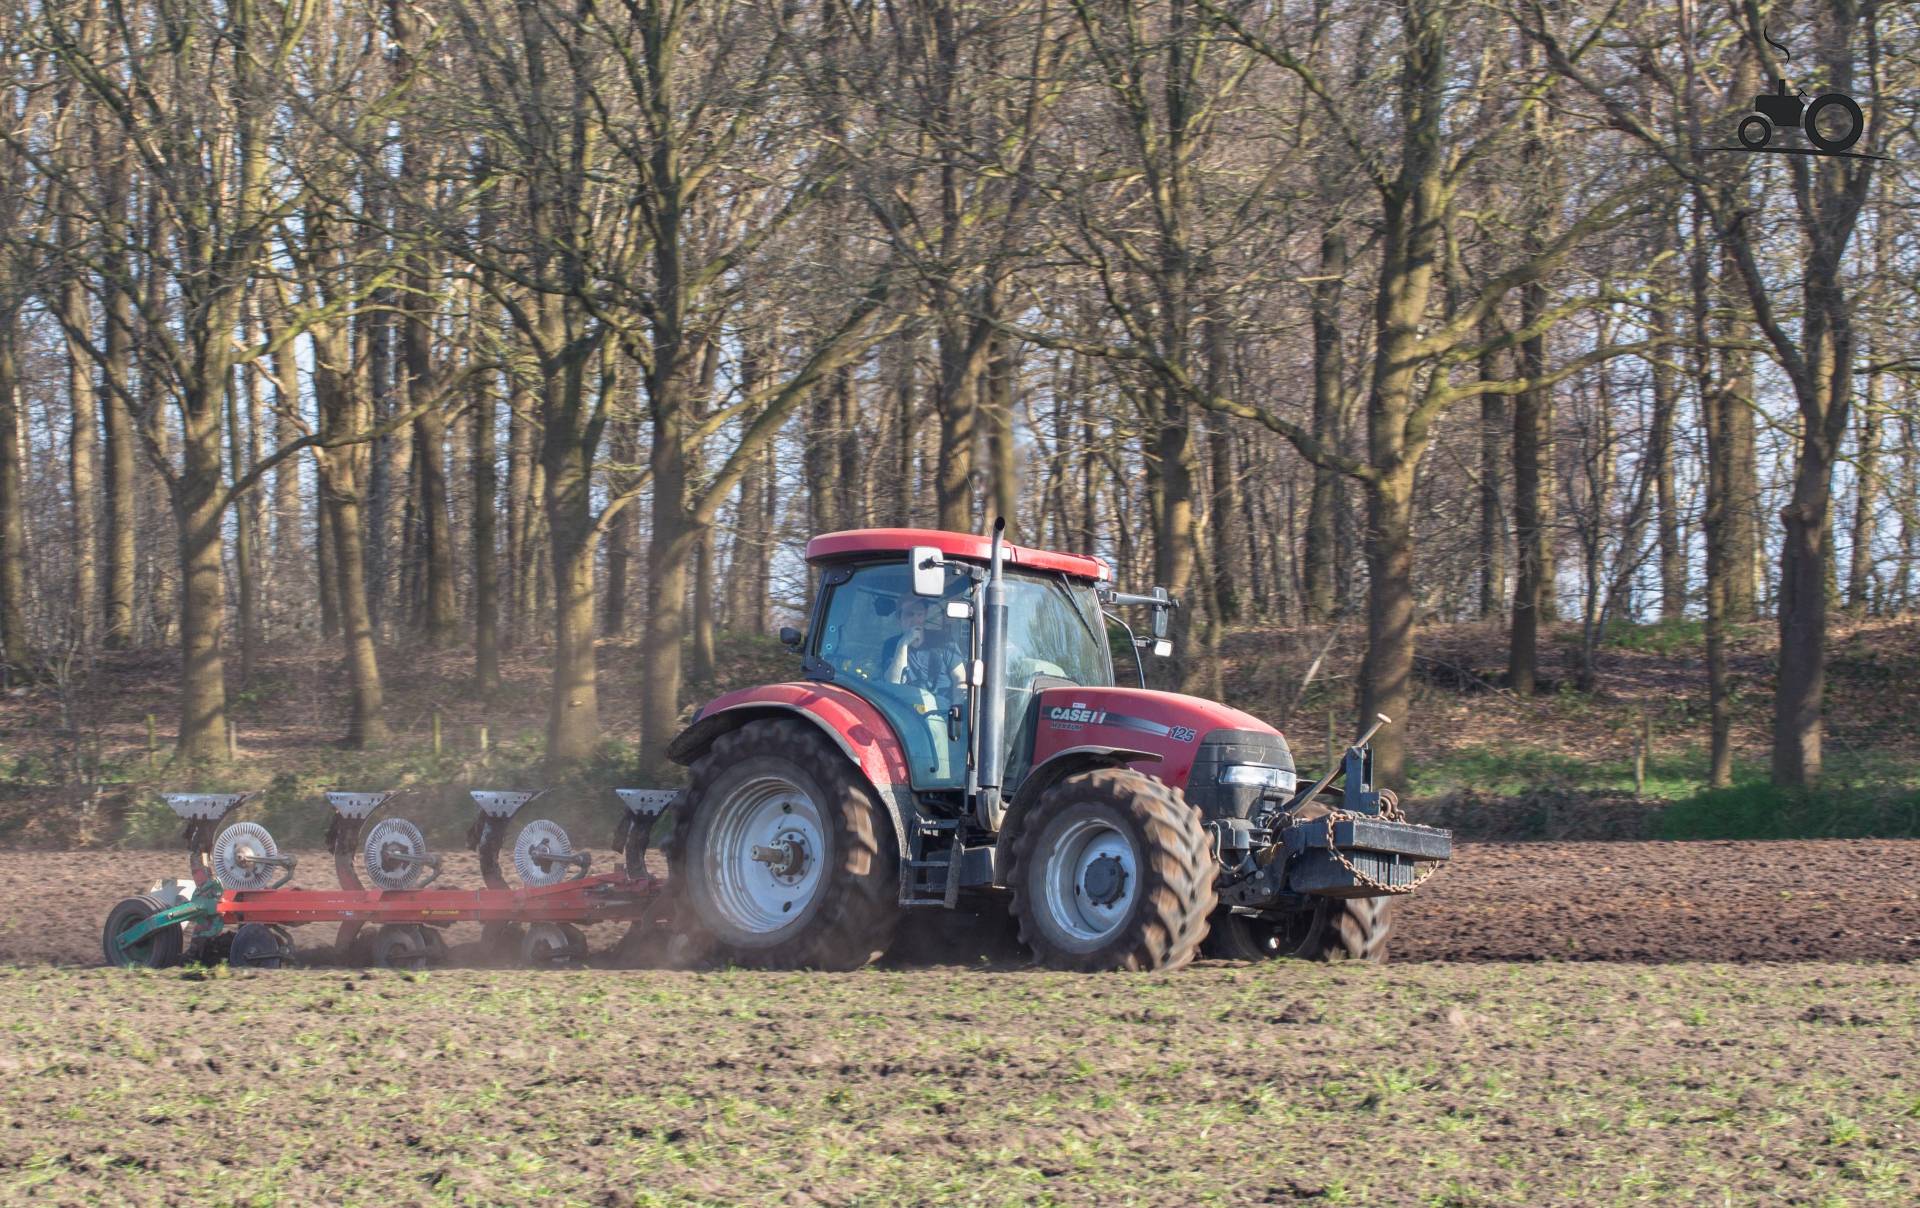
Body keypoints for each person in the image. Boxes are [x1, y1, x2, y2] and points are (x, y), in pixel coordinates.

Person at [880, 595, 967, 706]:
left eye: (920, 614)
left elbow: (960, 680)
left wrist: (957, 708)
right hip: (904, 710)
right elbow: (893, 683)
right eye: (909, 614)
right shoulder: (892, 645)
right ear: (899, 618)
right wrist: (903, 644)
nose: (915, 620)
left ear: (925, 616)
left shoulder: (944, 641)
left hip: (942, 709)